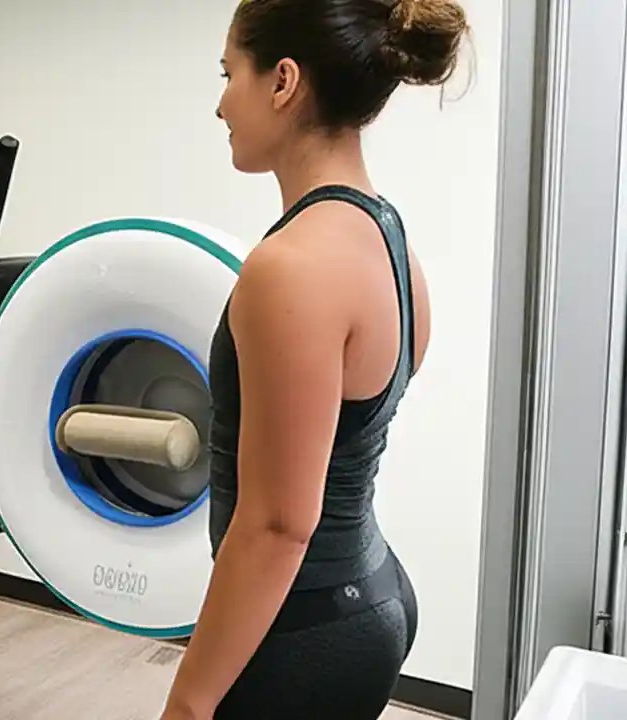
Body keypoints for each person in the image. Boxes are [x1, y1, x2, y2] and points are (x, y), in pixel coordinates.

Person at [160, 1, 470, 718]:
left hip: (305, 630)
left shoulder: (290, 268)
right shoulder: (390, 239)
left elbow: (278, 525)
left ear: (283, 82)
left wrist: (190, 700)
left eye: (229, 72)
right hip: (367, 589)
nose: (219, 104)